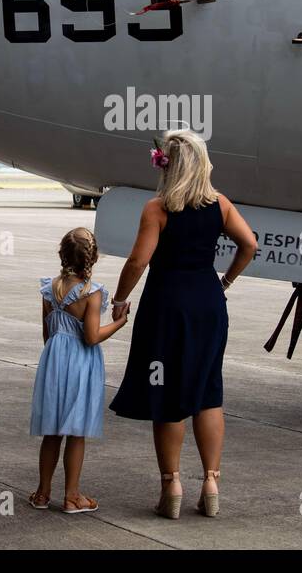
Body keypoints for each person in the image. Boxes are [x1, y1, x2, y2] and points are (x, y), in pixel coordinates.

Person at [108, 130, 257, 519]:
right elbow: (250, 245)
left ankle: (170, 484)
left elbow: (138, 261)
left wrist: (121, 300)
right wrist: (225, 282)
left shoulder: (157, 208)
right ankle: (210, 483)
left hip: (165, 307)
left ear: (167, 165)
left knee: (166, 392)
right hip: (208, 304)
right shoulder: (220, 205)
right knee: (208, 391)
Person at [28, 228, 128, 514]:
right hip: (81, 363)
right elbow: (92, 337)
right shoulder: (91, 293)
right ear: (92, 258)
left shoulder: (50, 289)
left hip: (54, 362)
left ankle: (42, 493)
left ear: (62, 255)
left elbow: (47, 335)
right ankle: (72, 496)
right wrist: (120, 323)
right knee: (76, 430)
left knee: (52, 431)